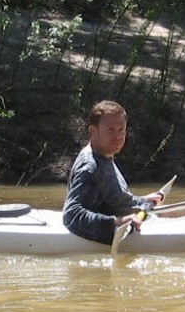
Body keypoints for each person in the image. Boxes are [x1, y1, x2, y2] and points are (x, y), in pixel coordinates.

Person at [63, 100, 165, 244]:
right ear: (93, 131)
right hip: (111, 234)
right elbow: (71, 215)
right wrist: (118, 222)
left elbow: (110, 197)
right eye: (110, 130)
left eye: (121, 129)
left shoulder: (104, 155)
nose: (118, 136)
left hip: (133, 218)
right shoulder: (91, 167)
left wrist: (142, 200)